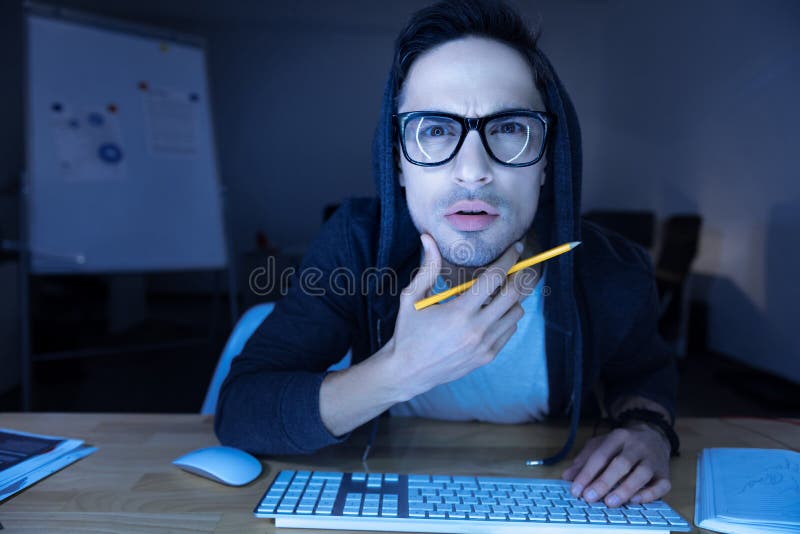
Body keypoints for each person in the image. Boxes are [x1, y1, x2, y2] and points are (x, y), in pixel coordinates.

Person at [215, 0, 678, 509]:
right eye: (435, 130)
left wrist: (648, 429)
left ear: (545, 162)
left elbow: (644, 373)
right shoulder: (355, 245)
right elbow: (241, 410)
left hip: (542, 496)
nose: (472, 170)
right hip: (391, 493)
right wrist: (398, 370)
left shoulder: (611, 269)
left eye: (509, 128)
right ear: (397, 163)